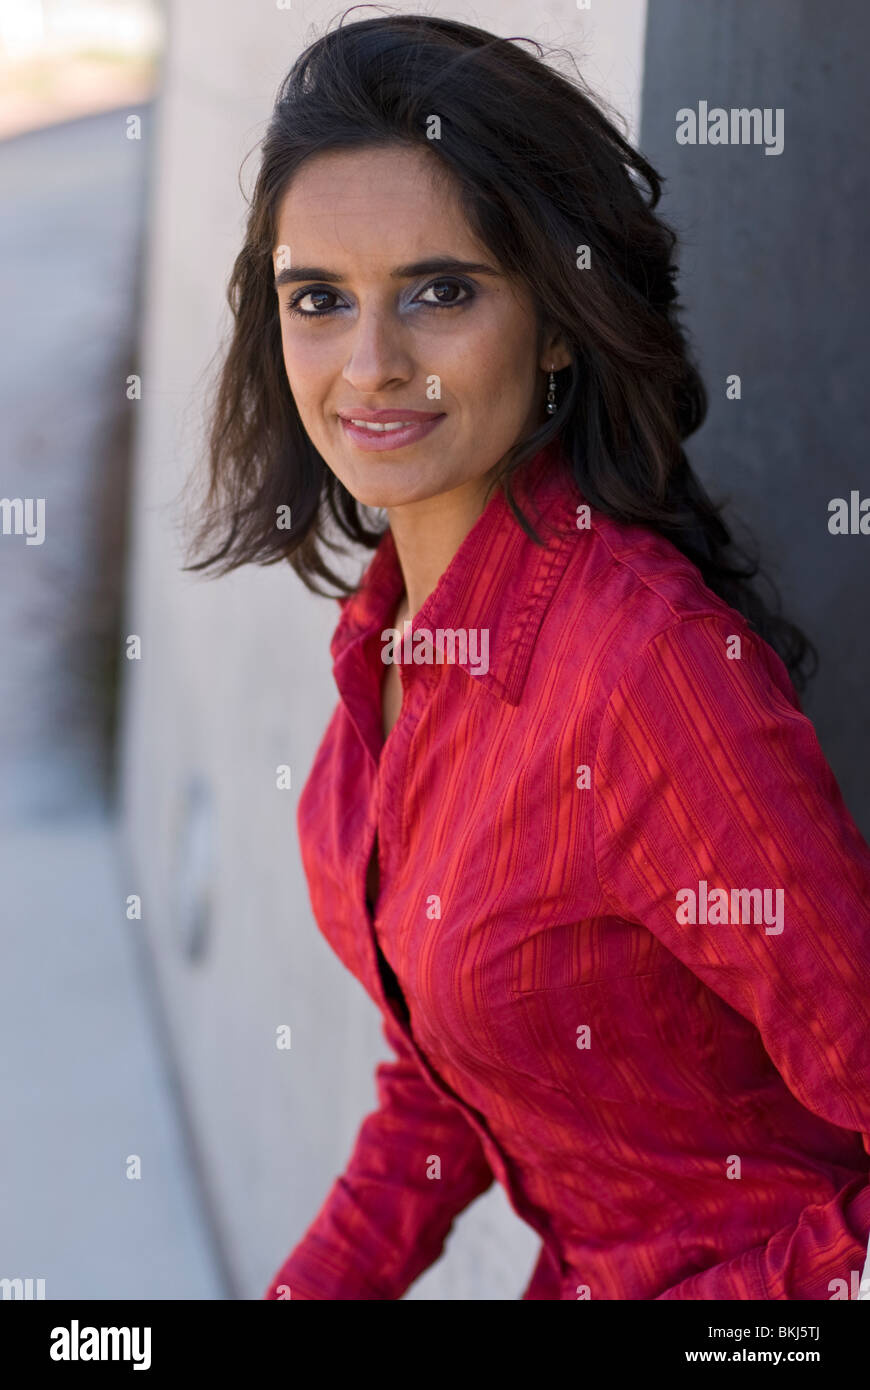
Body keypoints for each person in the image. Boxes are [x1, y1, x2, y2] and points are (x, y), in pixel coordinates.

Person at [184, 12, 870, 1299]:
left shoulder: (647, 673)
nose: (370, 365)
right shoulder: (381, 639)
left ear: (557, 322)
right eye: (319, 299)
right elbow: (452, 1081)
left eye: (441, 291)